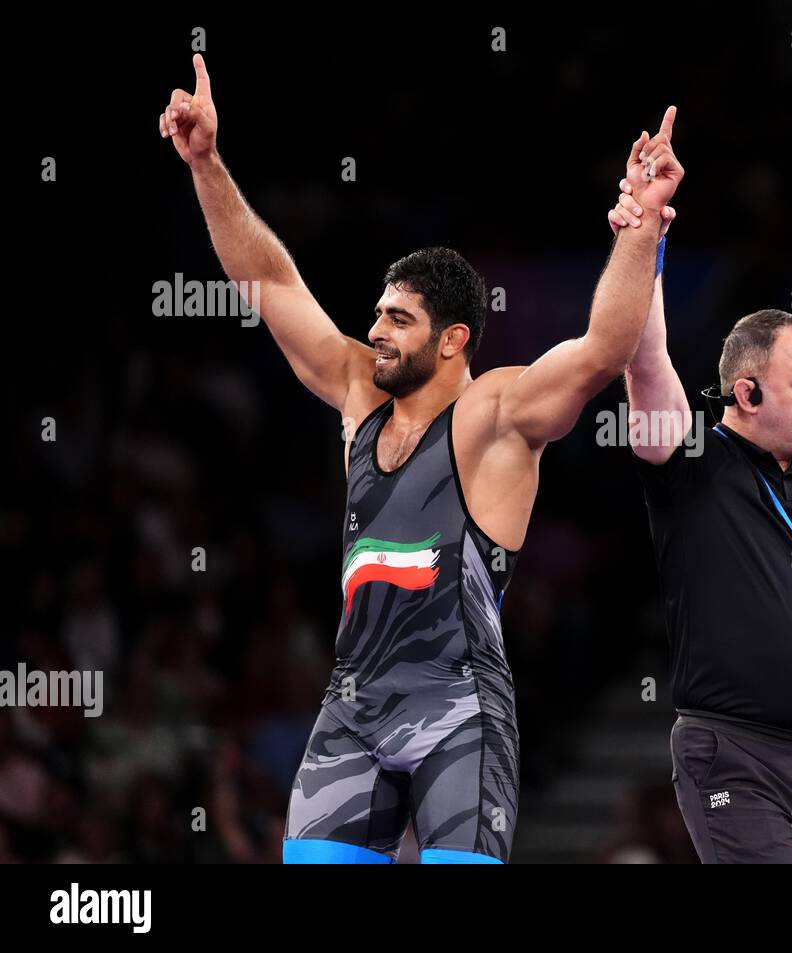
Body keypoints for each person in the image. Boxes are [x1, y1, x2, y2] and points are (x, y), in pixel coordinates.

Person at [159, 53, 684, 863]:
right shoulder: (358, 398)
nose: (374, 330)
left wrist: (642, 223)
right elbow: (266, 279)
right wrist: (207, 163)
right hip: (353, 711)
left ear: (452, 340)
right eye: (376, 313)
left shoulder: (496, 414)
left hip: (460, 712)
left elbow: (601, 352)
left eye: (396, 319)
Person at [606, 193, 792, 864]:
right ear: (747, 392)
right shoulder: (690, 465)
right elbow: (645, 357)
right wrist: (645, 238)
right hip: (739, 758)